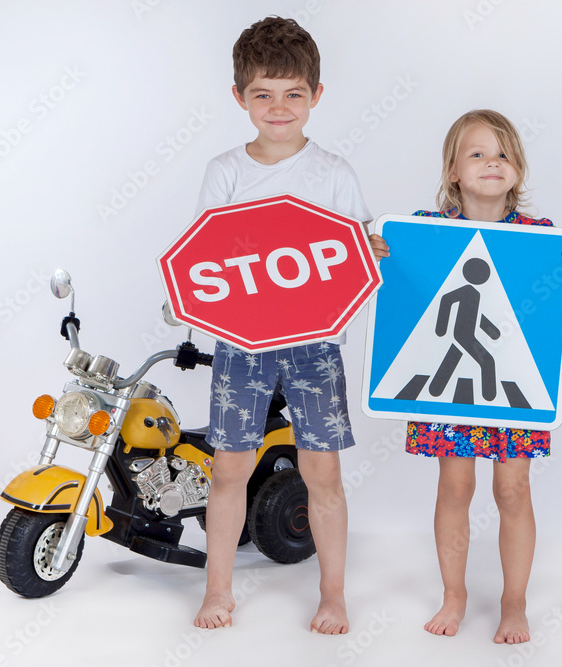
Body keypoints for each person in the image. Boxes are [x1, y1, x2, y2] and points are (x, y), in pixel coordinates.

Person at [369, 109, 562, 644]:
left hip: (512, 382)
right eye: (477, 153)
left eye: (503, 154)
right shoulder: (427, 232)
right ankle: (455, 594)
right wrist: (378, 258)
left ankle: (514, 602)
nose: (492, 163)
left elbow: (547, 316)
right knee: (455, 485)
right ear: (453, 171)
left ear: (517, 169)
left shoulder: (542, 237)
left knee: (513, 489)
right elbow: (405, 298)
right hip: (449, 387)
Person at [191, 16, 370, 634]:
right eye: (263, 93)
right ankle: (218, 590)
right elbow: (207, 262)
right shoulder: (226, 171)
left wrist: (377, 251)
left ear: (316, 96)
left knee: (323, 470)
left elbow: (357, 258)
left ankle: (334, 595)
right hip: (241, 343)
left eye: (294, 93)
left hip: (316, 345)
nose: (278, 107)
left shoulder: (335, 173)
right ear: (240, 97)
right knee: (229, 465)